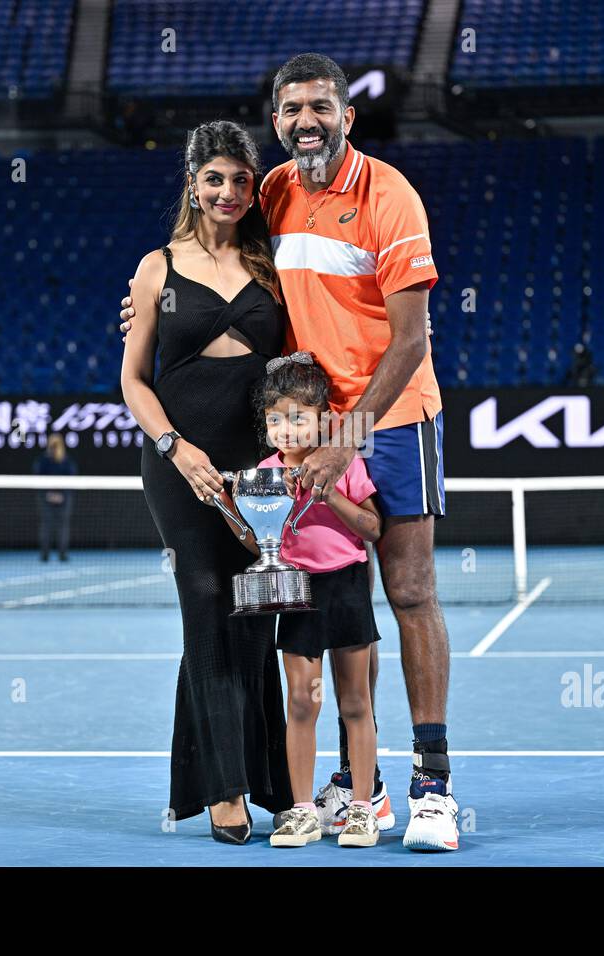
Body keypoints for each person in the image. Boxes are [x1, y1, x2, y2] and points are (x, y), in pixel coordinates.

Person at [122, 53, 458, 851]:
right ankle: (359, 789)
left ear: (348, 113)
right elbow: (217, 269)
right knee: (336, 610)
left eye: (321, 106)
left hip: (391, 420)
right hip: (297, 436)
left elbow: (409, 345)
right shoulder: (272, 191)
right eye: (292, 110)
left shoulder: (390, 195)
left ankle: (434, 785)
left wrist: (345, 442)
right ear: (276, 122)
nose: (306, 121)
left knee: (408, 592)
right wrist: (148, 314)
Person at [119, 119, 292, 844]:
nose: (227, 192)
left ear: (254, 189)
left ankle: (274, 780)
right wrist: (175, 448)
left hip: (259, 475)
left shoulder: (272, 265)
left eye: (240, 180)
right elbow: (133, 381)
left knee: (254, 622)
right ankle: (226, 790)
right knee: (202, 606)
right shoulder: (155, 268)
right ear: (192, 182)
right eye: (213, 178)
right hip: (179, 468)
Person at [215, 351, 384, 847]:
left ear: (324, 419)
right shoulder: (264, 472)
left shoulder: (342, 460)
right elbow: (257, 541)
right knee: (301, 704)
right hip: (296, 593)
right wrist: (228, 506)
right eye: (275, 420)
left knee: (356, 703)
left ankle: (361, 809)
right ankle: (303, 810)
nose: (285, 429)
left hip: (347, 588)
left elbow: (373, 528)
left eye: (297, 418)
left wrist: (330, 492)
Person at [34, 433, 76, 562]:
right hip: (46, 497)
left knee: (62, 526)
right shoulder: (43, 460)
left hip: (64, 497)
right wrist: (50, 494)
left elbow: (71, 476)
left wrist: (60, 494)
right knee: (47, 526)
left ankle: (62, 554)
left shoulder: (67, 461)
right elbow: (38, 475)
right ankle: (45, 554)